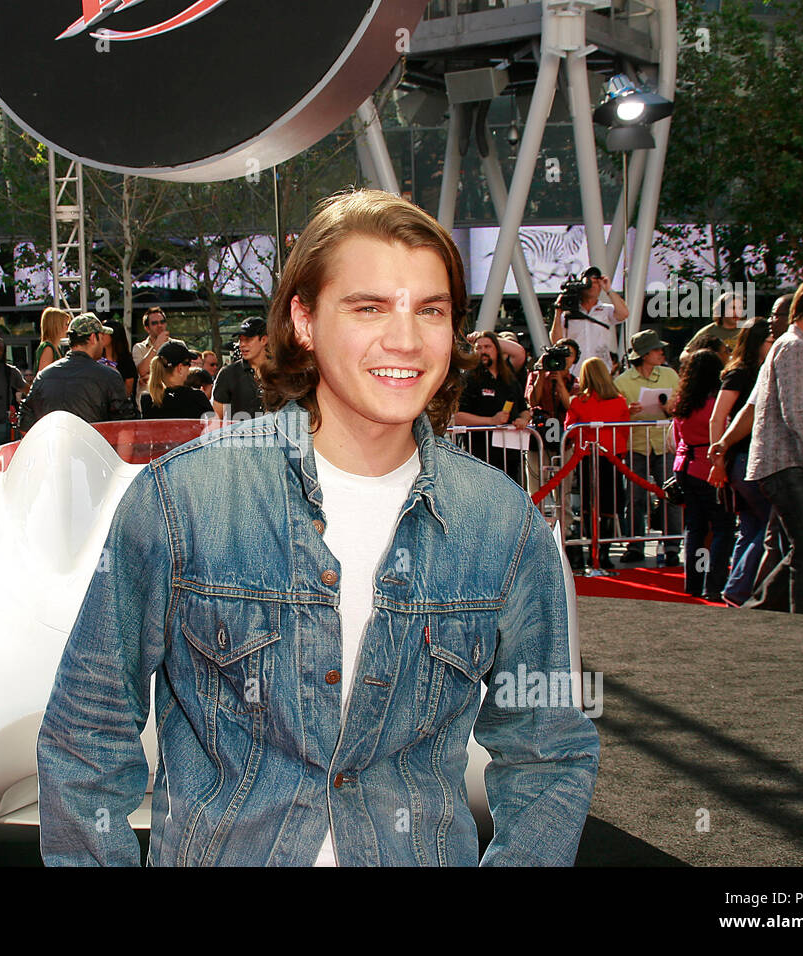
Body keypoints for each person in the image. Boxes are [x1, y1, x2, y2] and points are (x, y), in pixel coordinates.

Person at [37, 189, 598, 867]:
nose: (405, 338)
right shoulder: (181, 501)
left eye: (430, 310)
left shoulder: (502, 524)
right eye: (368, 307)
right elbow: (85, 733)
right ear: (303, 319)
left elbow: (548, 750)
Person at [741, 280, 803, 617]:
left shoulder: (793, 346)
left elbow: (795, 405)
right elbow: (795, 412)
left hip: (789, 463)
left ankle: (757, 613)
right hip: (789, 464)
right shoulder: (795, 347)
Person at [710, 323, 776, 606]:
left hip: (747, 458)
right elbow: (717, 417)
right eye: (770, 339)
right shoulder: (740, 374)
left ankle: (736, 590)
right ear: (757, 342)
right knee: (772, 524)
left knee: (749, 527)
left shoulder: (761, 371)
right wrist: (718, 460)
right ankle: (738, 589)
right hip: (745, 458)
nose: (774, 345)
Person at [668, 349, 734, 601]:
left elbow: (676, 438)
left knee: (695, 527)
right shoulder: (714, 404)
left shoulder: (683, 401)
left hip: (684, 465)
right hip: (707, 467)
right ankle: (715, 583)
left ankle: (694, 582)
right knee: (722, 528)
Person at [614, 329, 681, 566]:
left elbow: (680, 406)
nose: (662, 352)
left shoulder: (671, 375)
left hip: (664, 444)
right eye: (656, 349)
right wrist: (627, 413)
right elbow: (616, 416)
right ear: (643, 354)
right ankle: (635, 545)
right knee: (635, 498)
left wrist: (670, 409)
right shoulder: (621, 382)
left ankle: (673, 545)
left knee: (671, 496)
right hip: (637, 444)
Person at [565, 357, 630, 571]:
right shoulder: (620, 401)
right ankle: (604, 554)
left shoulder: (577, 402)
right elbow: (624, 430)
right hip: (612, 457)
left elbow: (570, 430)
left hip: (586, 457)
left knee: (588, 505)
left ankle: (590, 550)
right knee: (609, 507)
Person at [19, 313, 137, 430]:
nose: (102, 343)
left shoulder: (44, 376)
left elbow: (25, 422)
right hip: (95, 447)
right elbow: (125, 427)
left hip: (55, 447)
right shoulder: (110, 376)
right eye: (101, 337)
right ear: (92, 338)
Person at [454, 330, 529, 483]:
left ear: (498, 350)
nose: (483, 351)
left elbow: (524, 410)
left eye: (488, 347)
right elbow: (458, 416)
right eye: (479, 348)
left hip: (511, 456)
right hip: (479, 456)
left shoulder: (510, 378)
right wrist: (490, 421)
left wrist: (523, 419)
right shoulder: (468, 379)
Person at [525, 338, 579, 496]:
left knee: (563, 493)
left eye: (569, 355)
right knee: (535, 490)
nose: (564, 359)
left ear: (575, 359)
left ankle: (565, 521)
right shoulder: (536, 376)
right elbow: (532, 400)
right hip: (539, 438)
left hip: (564, 440)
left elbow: (570, 406)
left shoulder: (573, 381)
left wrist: (561, 383)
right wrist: (542, 373)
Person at [549, 266, 629, 369]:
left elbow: (624, 314)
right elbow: (556, 341)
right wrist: (558, 311)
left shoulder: (605, 310)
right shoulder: (569, 313)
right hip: (575, 370)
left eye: (596, 282)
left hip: (601, 370)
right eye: (588, 282)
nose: (592, 286)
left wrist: (608, 290)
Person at [211, 316, 269, 421]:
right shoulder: (228, 373)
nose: (242, 344)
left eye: (248, 339)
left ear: (264, 340)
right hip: (239, 435)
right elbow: (216, 418)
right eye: (240, 340)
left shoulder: (282, 372)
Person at [132, 307, 188, 411]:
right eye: (154, 323)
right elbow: (142, 371)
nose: (160, 325)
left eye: (162, 322)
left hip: (175, 402)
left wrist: (153, 376)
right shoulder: (139, 348)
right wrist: (157, 345)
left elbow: (183, 373)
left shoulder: (179, 345)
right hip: (149, 403)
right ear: (147, 328)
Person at [140, 342, 213, 419]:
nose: (189, 367)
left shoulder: (147, 399)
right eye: (188, 363)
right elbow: (212, 427)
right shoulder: (196, 397)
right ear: (180, 368)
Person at [683, 292, 748, 357]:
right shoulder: (708, 331)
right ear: (721, 310)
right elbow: (685, 355)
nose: (737, 312)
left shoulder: (748, 330)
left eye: (740, 308)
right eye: (733, 308)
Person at [100, 320, 137, 400]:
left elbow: (128, 391)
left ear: (114, 335)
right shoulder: (96, 358)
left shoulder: (126, 361)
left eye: (104, 333)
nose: (100, 336)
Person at [36, 307, 71, 374]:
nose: (67, 328)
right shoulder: (48, 348)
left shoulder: (55, 347)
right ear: (56, 325)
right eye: (66, 324)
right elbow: (44, 377)